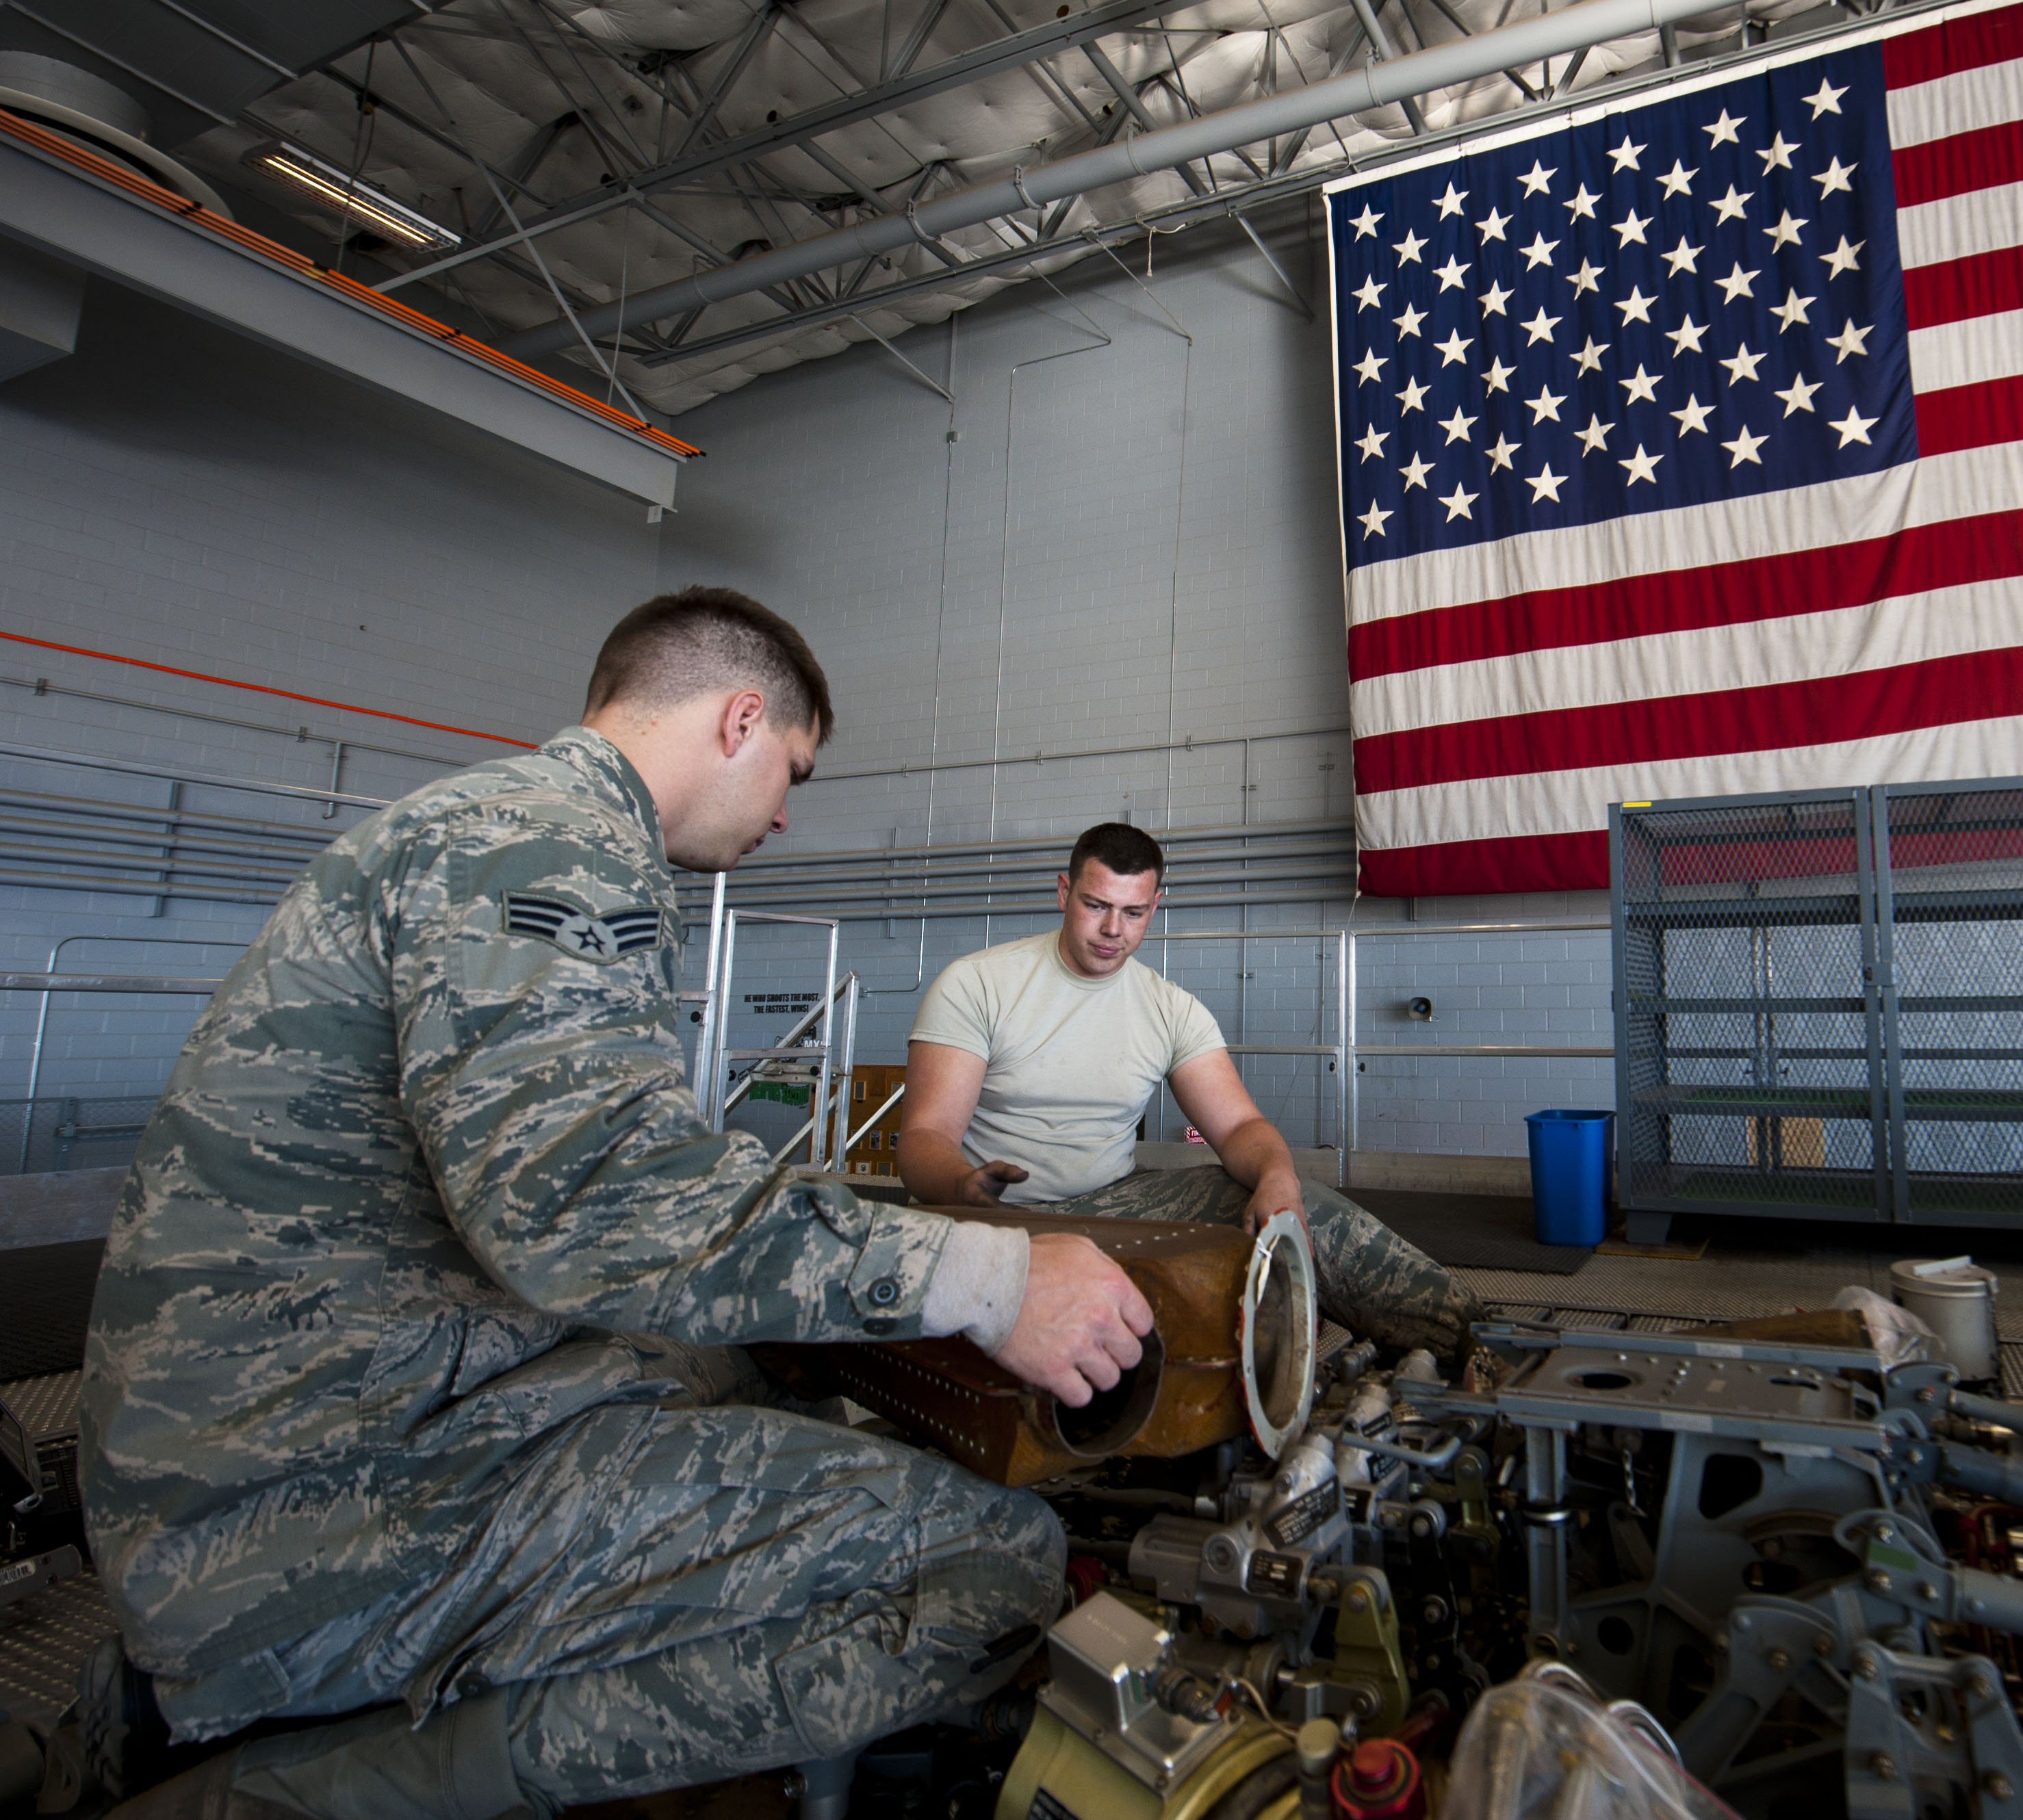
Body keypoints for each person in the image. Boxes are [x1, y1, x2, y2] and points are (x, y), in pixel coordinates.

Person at [79, 589, 1155, 1818]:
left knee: (728, 1376)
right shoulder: (552, 844)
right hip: (304, 1515)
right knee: (989, 1564)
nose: (786, 814)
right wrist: (989, 1280)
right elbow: (593, 1200)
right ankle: (297, 1790)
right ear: (741, 719)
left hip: (300, 1433)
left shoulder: (499, 821)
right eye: (791, 772)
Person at [897, 823, 1480, 1358]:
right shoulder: (977, 985)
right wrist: (960, 1183)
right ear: (1062, 892)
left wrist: (1280, 1178)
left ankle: (1475, 1341)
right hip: (990, 1220)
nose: (1111, 930)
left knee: (1299, 1208)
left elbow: (1240, 1129)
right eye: (1095, 905)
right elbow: (924, 1136)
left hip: (1107, 1209)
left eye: (1132, 912)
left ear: (1155, 907)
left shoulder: (1171, 1009)